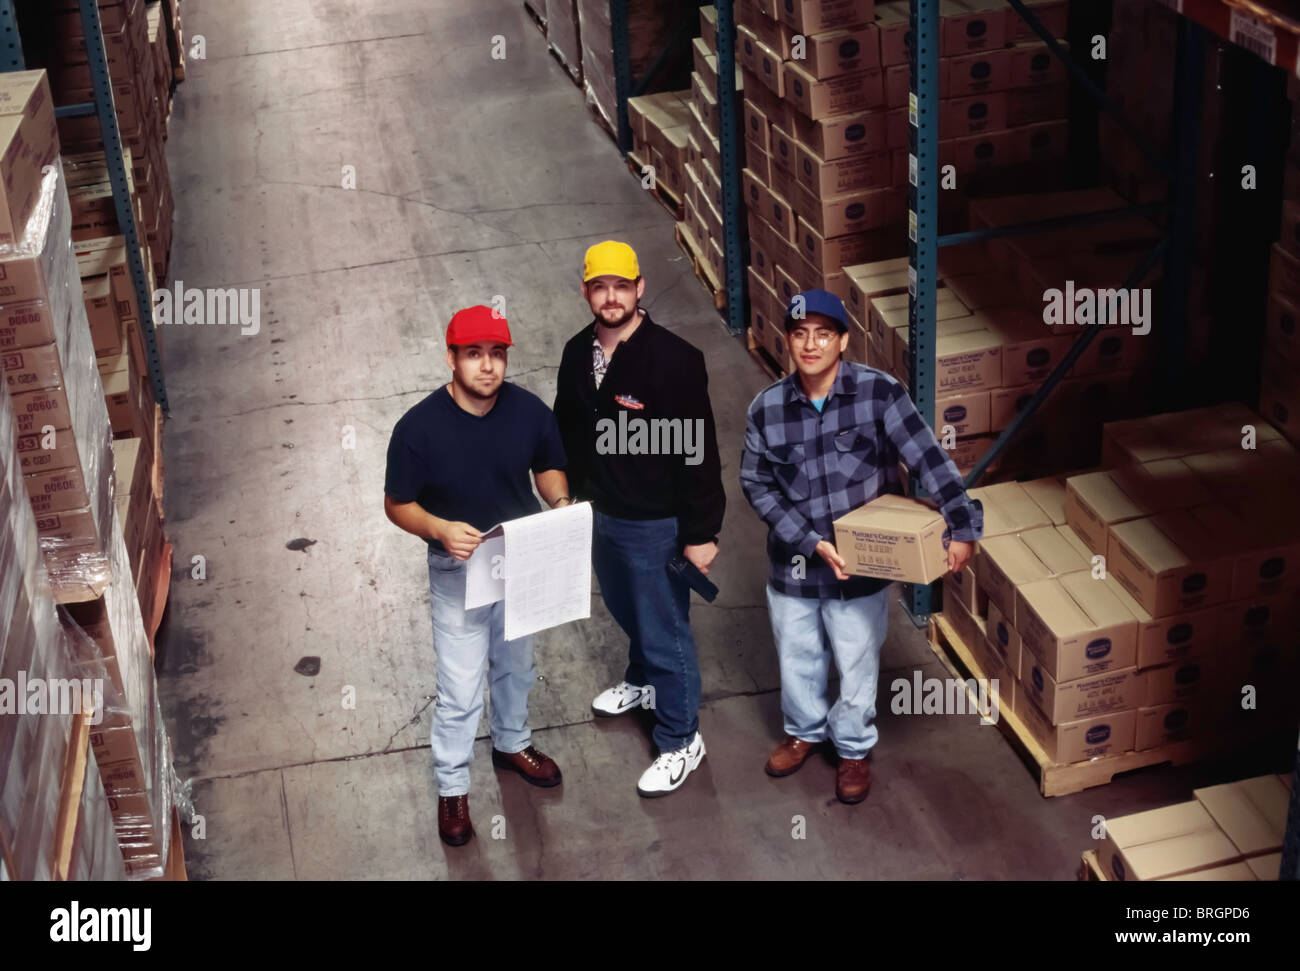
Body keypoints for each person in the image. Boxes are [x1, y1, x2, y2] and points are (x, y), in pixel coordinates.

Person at [739, 289, 982, 804]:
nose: (811, 344)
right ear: (788, 340)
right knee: (797, 655)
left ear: (843, 340)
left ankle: (851, 749)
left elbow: (928, 459)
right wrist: (808, 540)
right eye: (800, 333)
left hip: (862, 567)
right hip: (796, 566)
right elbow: (756, 485)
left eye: (823, 334)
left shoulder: (879, 394)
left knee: (855, 660)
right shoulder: (767, 409)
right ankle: (804, 731)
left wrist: (961, 526)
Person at [384, 305, 572, 846]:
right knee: (460, 688)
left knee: (517, 664)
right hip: (458, 567)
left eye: (496, 354)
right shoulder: (418, 429)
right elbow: (398, 505)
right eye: (473, 355)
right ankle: (452, 787)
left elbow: (547, 464)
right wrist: (440, 528)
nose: (487, 366)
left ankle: (512, 744)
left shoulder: (529, 411)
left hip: (520, 557)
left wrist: (558, 499)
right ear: (451, 358)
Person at [553, 241, 726, 797]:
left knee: (665, 629)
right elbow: (567, 431)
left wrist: (701, 533)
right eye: (600, 287)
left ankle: (681, 740)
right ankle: (642, 681)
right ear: (586, 292)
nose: (611, 297)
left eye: (621, 286)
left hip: (655, 524)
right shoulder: (578, 352)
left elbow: (698, 452)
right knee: (626, 610)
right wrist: (569, 503)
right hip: (598, 514)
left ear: (639, 289)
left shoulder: (675, 359)